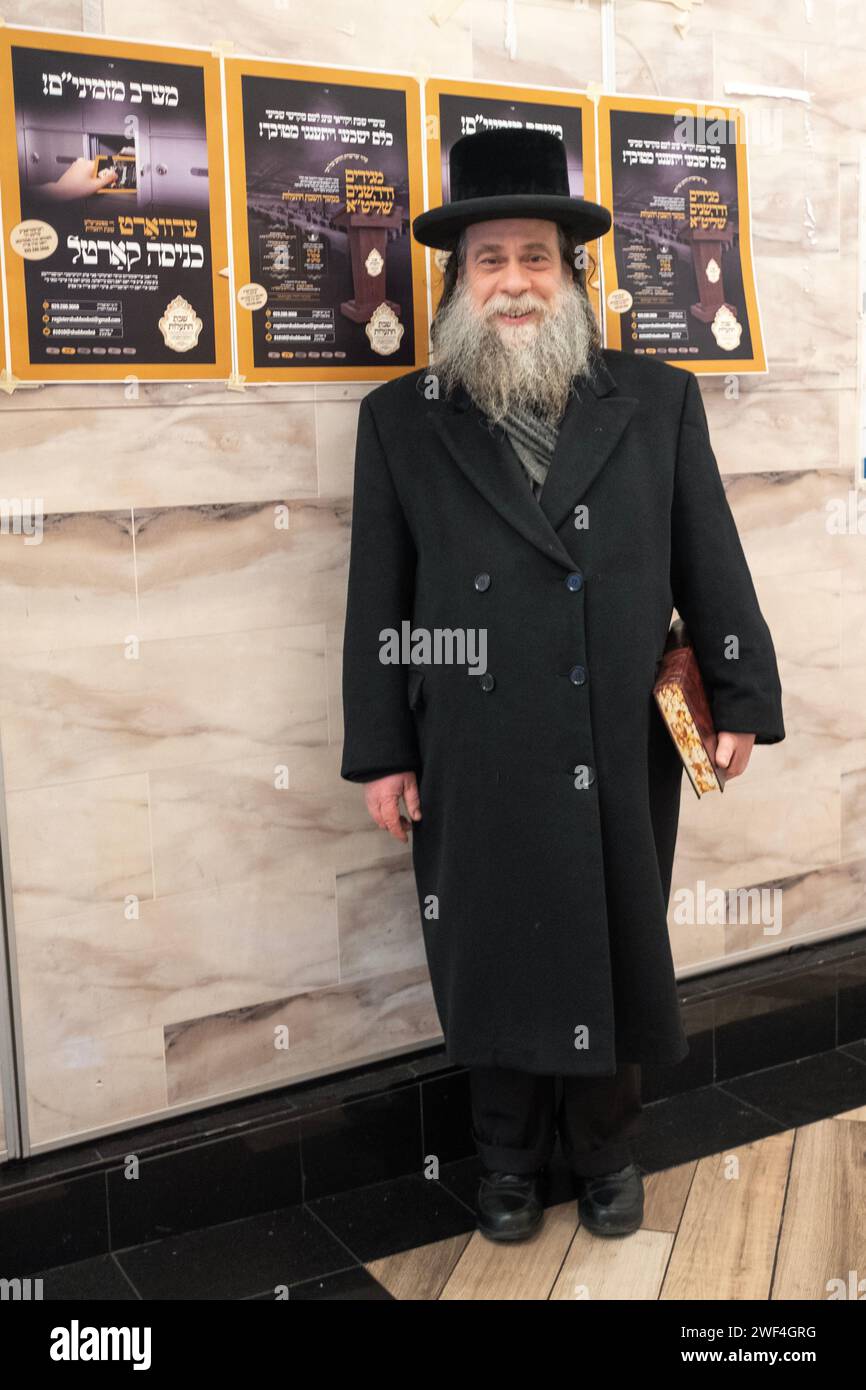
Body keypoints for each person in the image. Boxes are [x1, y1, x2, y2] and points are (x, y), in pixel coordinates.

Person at [340, 128, 785, 1242]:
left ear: (569, 272)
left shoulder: (653, 398)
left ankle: (602, 1148)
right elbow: (378, 602)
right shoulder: (401, 417)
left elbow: (707, 554)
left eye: (534, 257)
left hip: (611, 727)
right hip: (471, 735)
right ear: (457, 280)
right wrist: (385, 745)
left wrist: (737, 694)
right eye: (488, 260)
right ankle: (499, 1159)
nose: (513, 282)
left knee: (614, 930)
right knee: (486, 939)